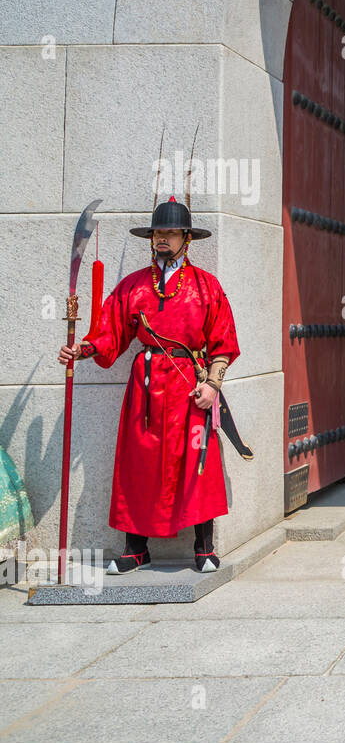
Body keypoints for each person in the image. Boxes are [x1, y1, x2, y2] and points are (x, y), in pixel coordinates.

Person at [57, 195, 246, 574]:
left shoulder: (206, 286)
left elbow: (223, 342)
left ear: (186, 239)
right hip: (144, 387)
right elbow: (110, 332)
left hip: (189, 387)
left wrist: (212, 384)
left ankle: (204, 547)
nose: (163, 239)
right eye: (159, 232)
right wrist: (84, 349)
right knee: (137, 463)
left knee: (197, 462)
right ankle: (135, 548)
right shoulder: (134, 286)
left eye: (171, 233)